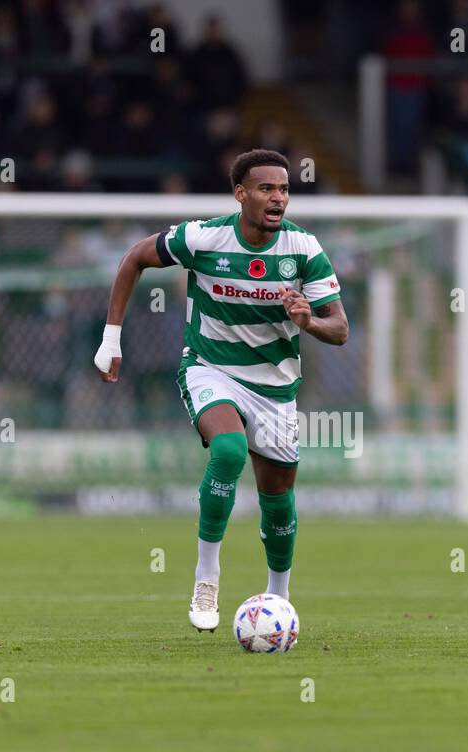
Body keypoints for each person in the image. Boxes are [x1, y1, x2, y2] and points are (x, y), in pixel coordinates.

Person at [94, 149, 349, 632]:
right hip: (210, 368)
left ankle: (279, 601)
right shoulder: (204, 237)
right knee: (229, 451)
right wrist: (111, 338)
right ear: (241, 194)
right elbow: (134, 259)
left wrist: (307, 320)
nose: (278, 198)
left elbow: (339, 330)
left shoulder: (303, 250)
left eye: (284, 189)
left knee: (278, 500)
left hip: (274, 386)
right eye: (266, 189)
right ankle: (206, 577)